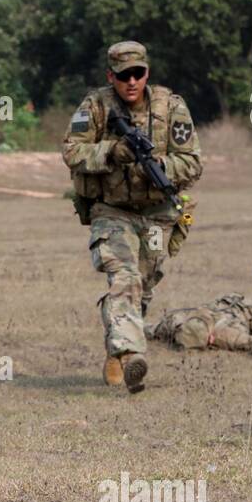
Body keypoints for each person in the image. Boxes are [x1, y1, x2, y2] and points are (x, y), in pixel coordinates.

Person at [63, 40, 204, 393]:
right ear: (111, 75)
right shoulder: (95, 106)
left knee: (143, 284)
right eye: (123, 75)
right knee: (123, 278)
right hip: (112, 210)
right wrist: (113, 151)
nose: (131, 82)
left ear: (147, 73)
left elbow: (193, 162)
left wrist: (160, 165)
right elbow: (72, 152)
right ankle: (129, 352)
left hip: (158, 213)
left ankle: (116, 349)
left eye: (137, 74)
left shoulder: (171, 107)